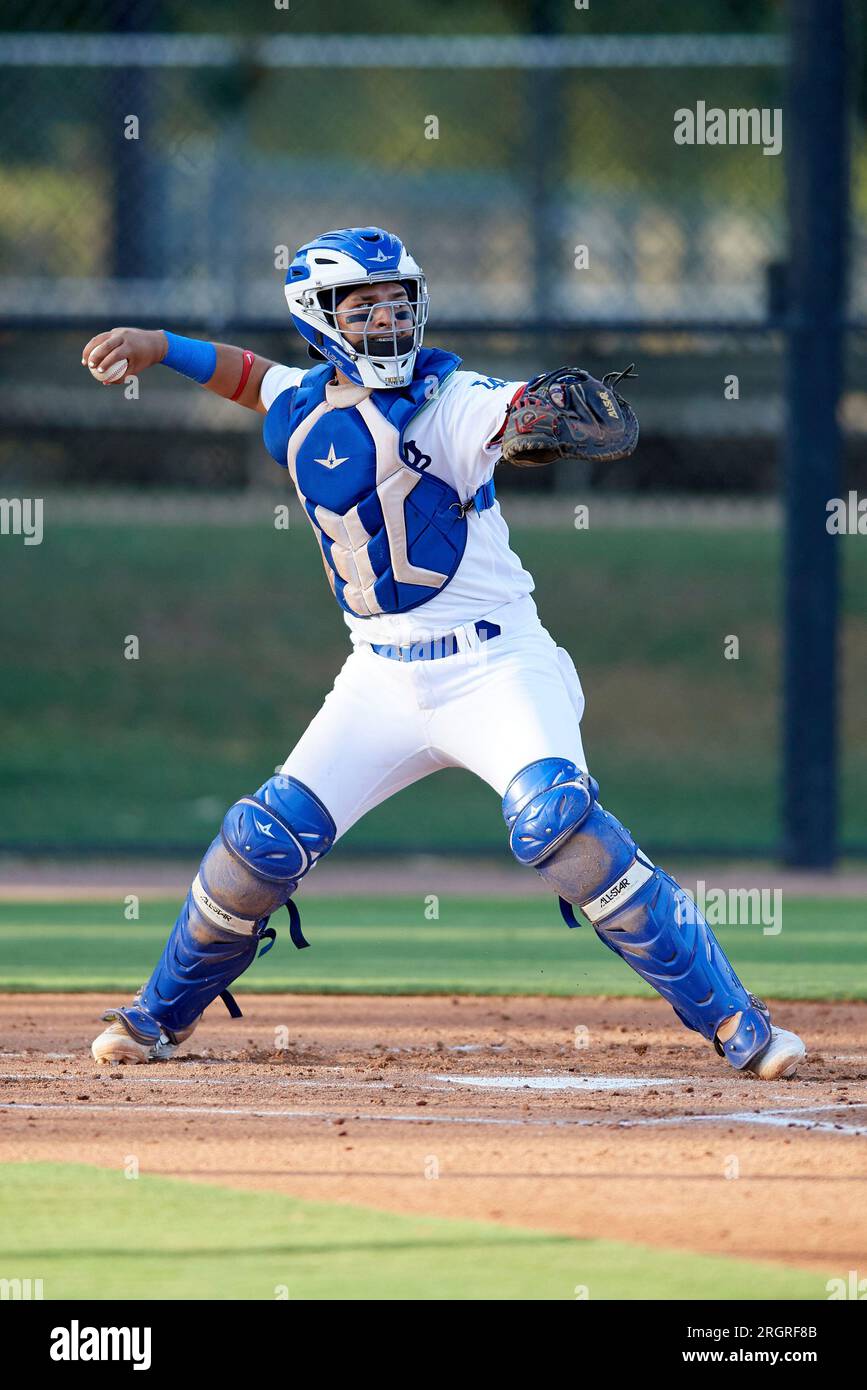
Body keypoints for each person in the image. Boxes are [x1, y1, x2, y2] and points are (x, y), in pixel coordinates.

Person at [84, 226, 804, 1079]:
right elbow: (250, 375)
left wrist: (534, 416)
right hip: (379, 679)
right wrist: (159, 346)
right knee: (260, 844)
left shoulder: (453, 398)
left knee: (557, 826)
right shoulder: (304, 402)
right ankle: (155, 1019)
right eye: (363, 308)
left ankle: (735, 1022)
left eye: (399, 303)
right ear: (320, 322)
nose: (387, 320)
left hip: (497, 665)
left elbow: (507, 414)